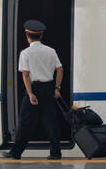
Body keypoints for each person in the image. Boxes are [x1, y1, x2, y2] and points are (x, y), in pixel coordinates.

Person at [5, 19, 63, 160]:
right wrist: (56, 88)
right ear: (41, 36)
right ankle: (56, 153)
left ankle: (16, 152)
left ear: (27, 36)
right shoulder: (51, 51)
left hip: (34, 89)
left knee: (25, 122)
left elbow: (25, 74)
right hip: (48, 88)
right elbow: (60, 69)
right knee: (50, 122)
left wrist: (30, 93)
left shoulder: (25, 53)